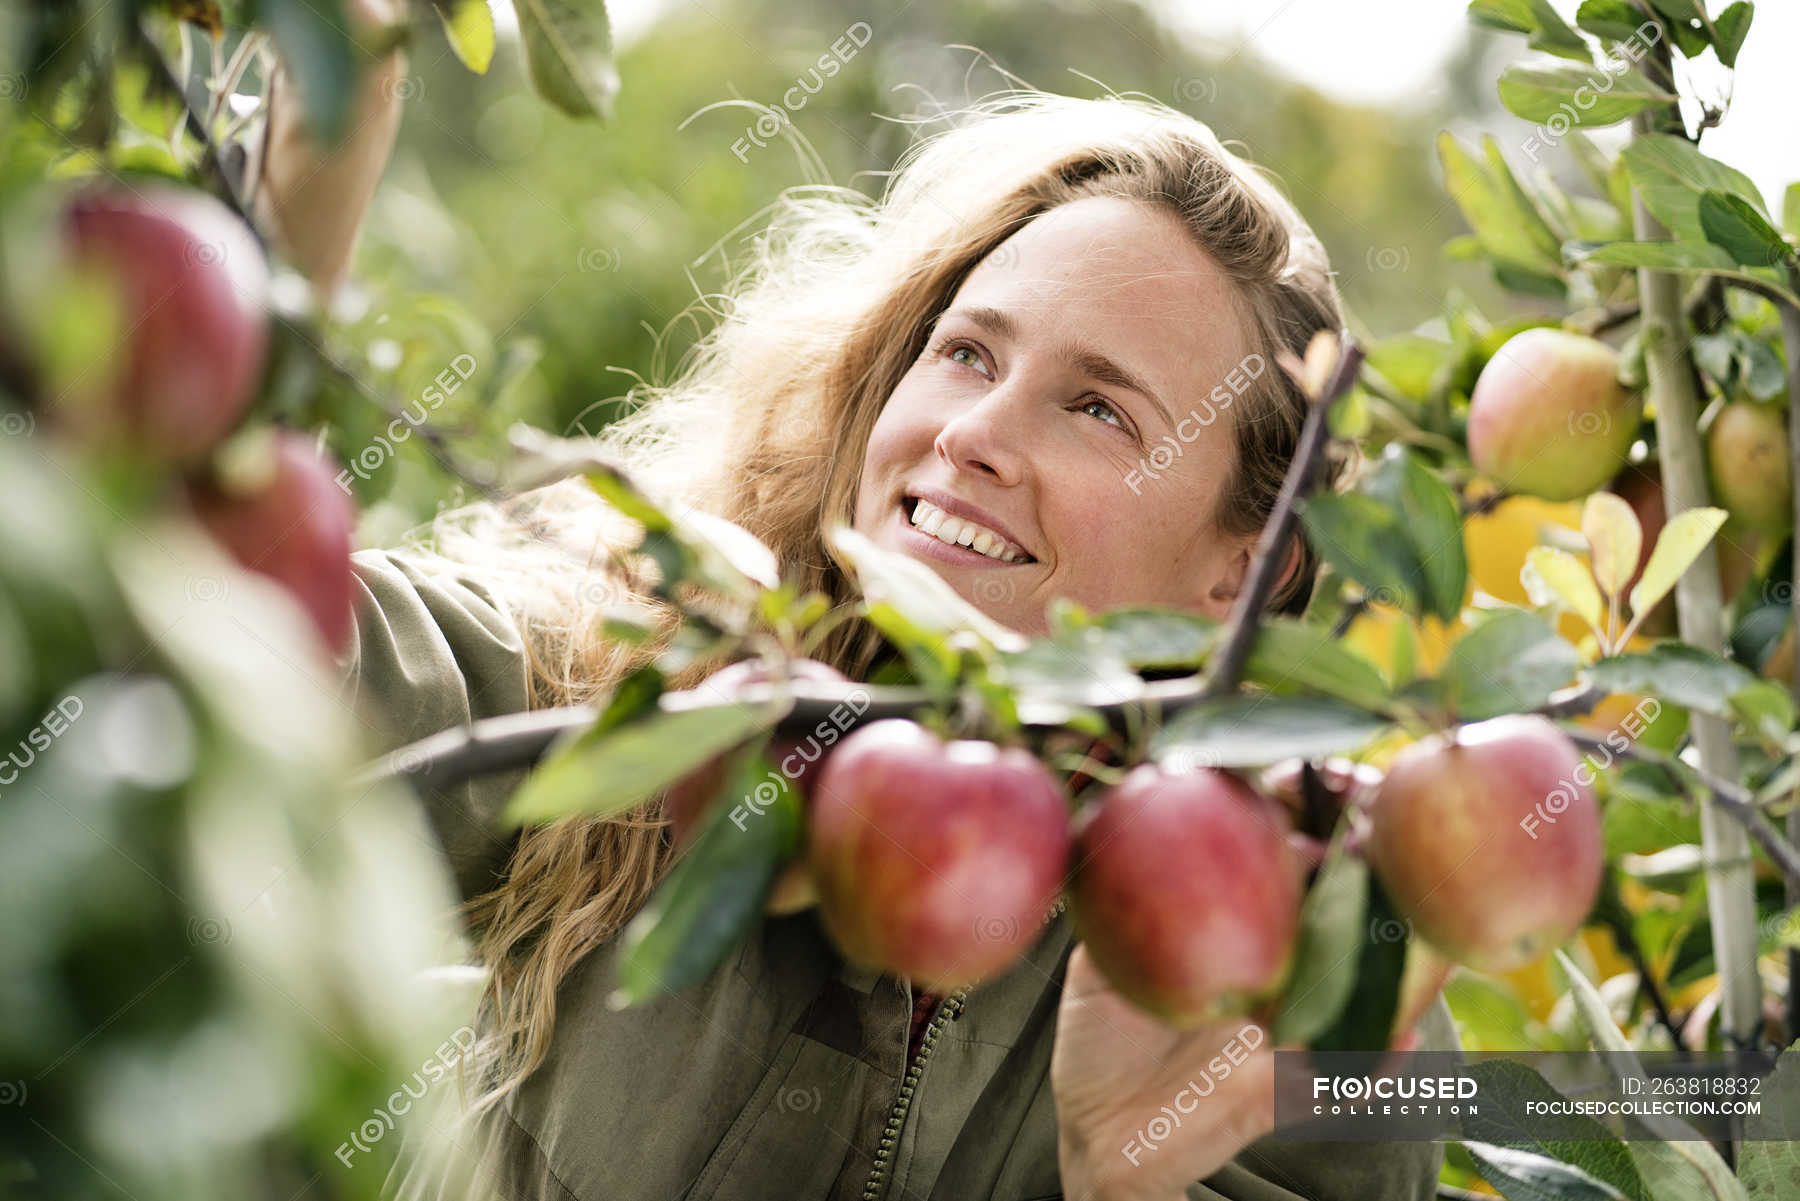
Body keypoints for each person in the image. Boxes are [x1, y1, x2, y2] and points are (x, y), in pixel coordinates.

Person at [274, 33, 1459, 1199]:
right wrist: (294, 228)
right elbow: (256, 667)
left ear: (1241, 570)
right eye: (966, 354)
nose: (974, 434)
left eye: (1098, 410)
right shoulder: (636, 657)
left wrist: (1120, 1181)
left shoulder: (1313, 947)